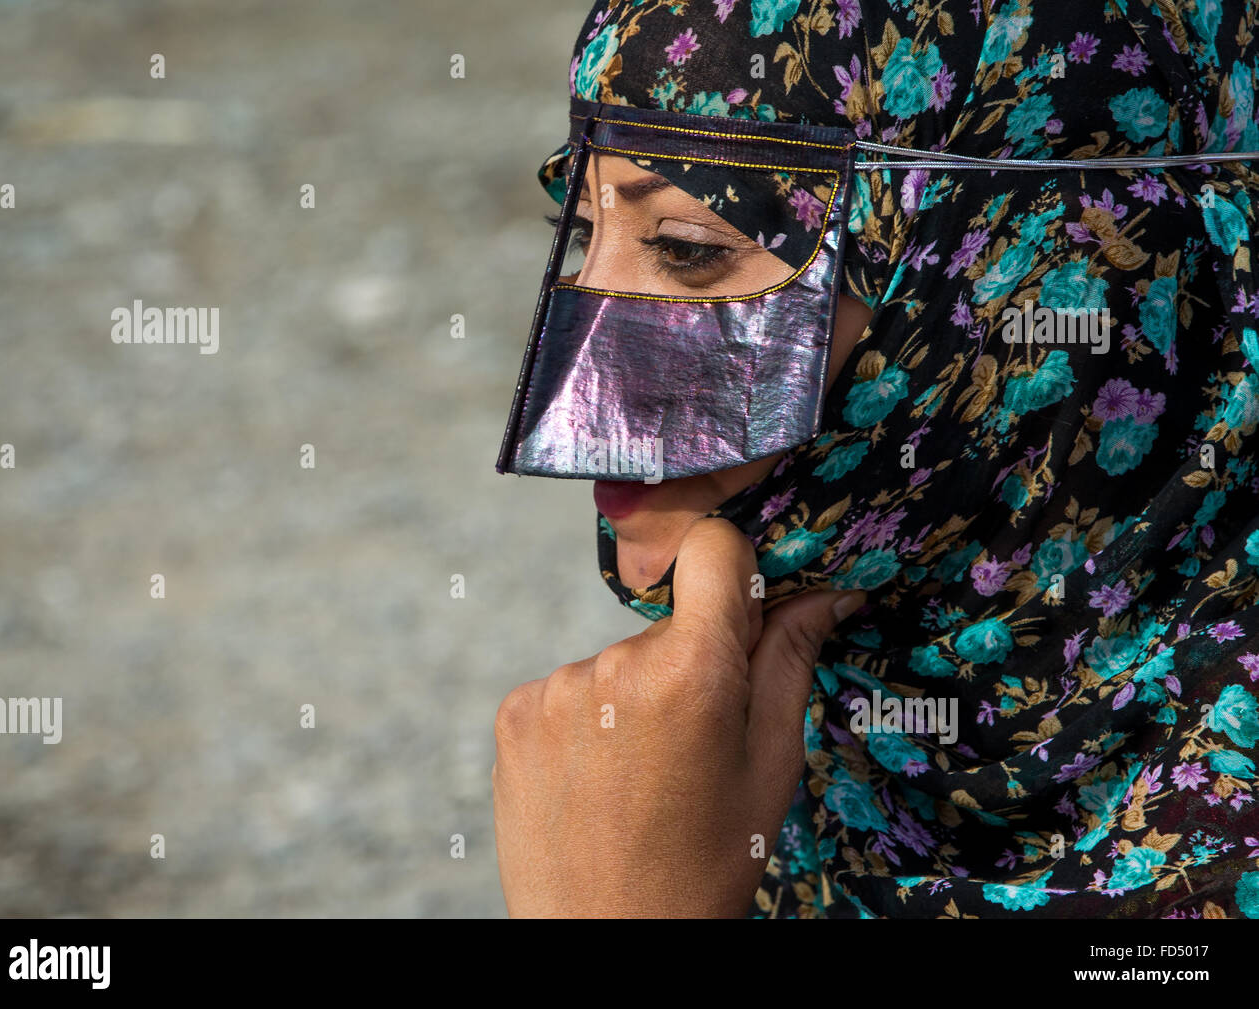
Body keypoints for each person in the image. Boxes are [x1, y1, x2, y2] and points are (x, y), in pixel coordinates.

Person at [492, 0, 1259, 918]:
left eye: (689, 249)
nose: (581, 394)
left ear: (1011, 273)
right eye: (578, 238)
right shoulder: (802, 717)